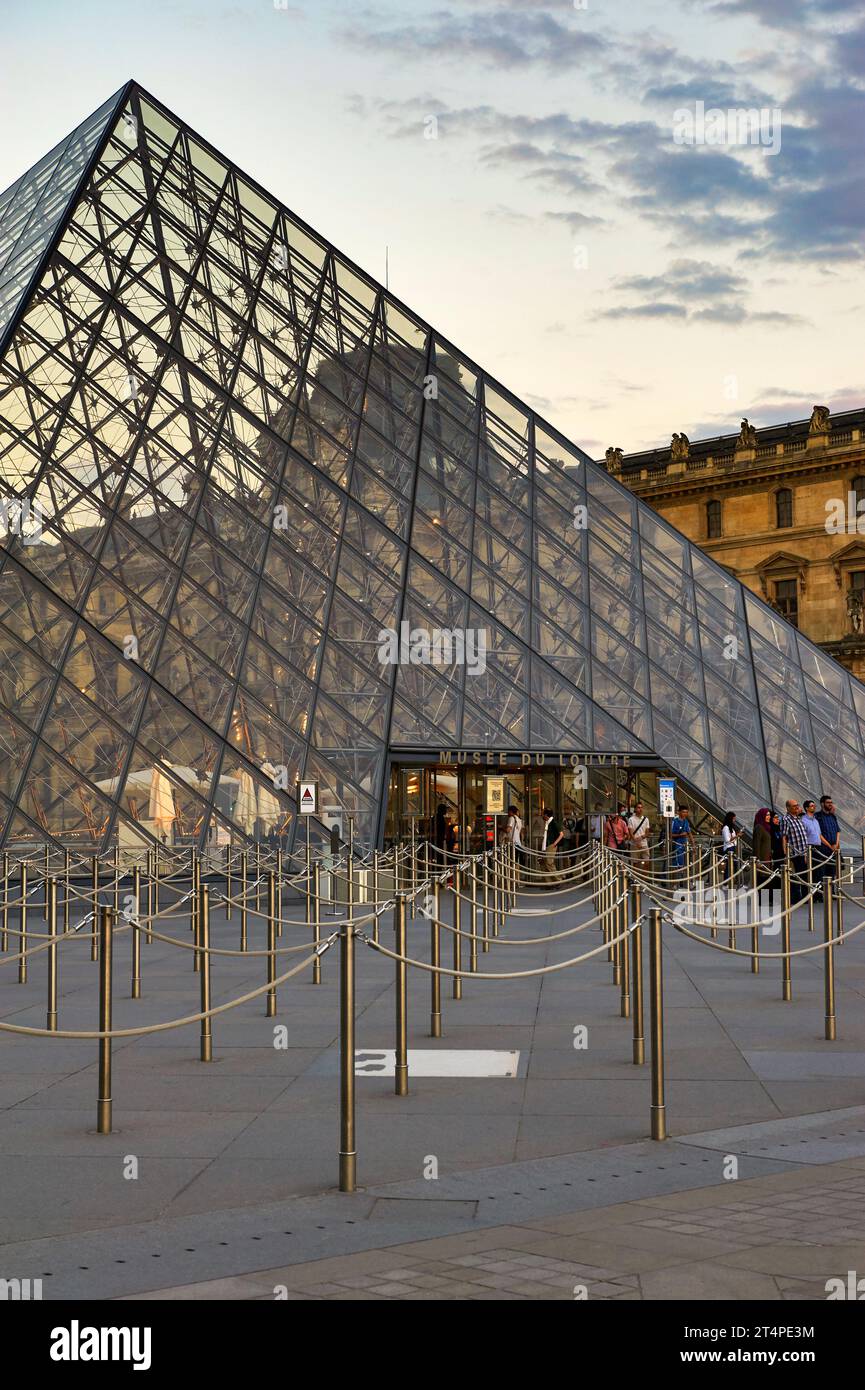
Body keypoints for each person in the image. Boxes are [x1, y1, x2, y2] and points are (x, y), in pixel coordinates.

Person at [780, 799, 808, 904]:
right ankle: (796, 898)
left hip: (803, 852)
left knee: (804, 876)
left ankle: (805, 897)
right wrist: (786, 854)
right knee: (795, 877)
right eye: (794, 806)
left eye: (797, 805)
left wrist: (806, 853)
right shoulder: (785, 819)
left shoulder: (799, 818)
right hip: (794, 853)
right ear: (788, 808)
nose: (797, 807)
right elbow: (784, 837)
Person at [801, 799, 825, 899]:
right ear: (806, 808)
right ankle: (812, 895)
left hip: (818, 847)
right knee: (811, 872)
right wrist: (805, 852)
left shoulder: (816, 820)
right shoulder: (803, 820)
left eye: (814, 806)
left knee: (819, 872)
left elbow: (819, 835)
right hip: (810, 848)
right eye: (811, 806)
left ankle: (819, 895)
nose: (814, 807)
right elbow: (803, 837)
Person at [816, 794, 840, 892]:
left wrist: (836, 844)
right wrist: (830, 845)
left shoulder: (833, 817)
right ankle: (822, 892)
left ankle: (831, 891)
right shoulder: (817, 817)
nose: (830, 804)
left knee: (832, 871)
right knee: (822, 872)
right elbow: (818, 834)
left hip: (834, 849)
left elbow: (838, 831)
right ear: (822, 804)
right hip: (823, 848)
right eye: (828, 803)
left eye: (831, 802)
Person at [541, 807, 564, 883]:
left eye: (543, 813)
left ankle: (558, 880)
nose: (542, 815)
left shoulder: (554, 823)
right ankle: (549, 882)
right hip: (546, 845)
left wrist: (555, 843)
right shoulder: (547, 822)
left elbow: (561, 834)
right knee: (545, 863)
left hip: (551, 845)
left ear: (546, 815)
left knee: (549, 863)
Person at [627, 800, 651, 872]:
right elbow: (630, 832)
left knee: (647, 862)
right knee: (635, 863)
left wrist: (640, 838)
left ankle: (645, 878)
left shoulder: (646, 819)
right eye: (638, 807)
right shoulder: (631, 819)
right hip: (634, 844)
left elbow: (647, 833)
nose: (640, 809)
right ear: (635, 809)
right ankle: (635, 878)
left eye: (641, 807)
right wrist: (636, 842)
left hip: (644, 844)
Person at [670, 803, 693, 873]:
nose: (685, 814)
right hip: (677, 845)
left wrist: (693, 843)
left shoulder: (686, 821)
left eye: (686, 812)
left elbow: (689, 833)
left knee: (686, 862)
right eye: (683, 812)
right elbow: (670, 834)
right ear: (679, 812)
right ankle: (677, 880)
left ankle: (683, 880)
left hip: (685, 844)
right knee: (678, 863)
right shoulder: (674, 821)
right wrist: (680, 835)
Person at [504, 803, 524, 879]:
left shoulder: (511, 818)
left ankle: (511, 879)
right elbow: (521, 833)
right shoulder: (519, 819)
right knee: (516, 862)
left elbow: (508, 829)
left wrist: (500, 828)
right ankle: (516, 878)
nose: (508, 813)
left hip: (512, 843)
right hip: (518, 843)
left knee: (511, 862)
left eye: (508, 812)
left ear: (511, 811)